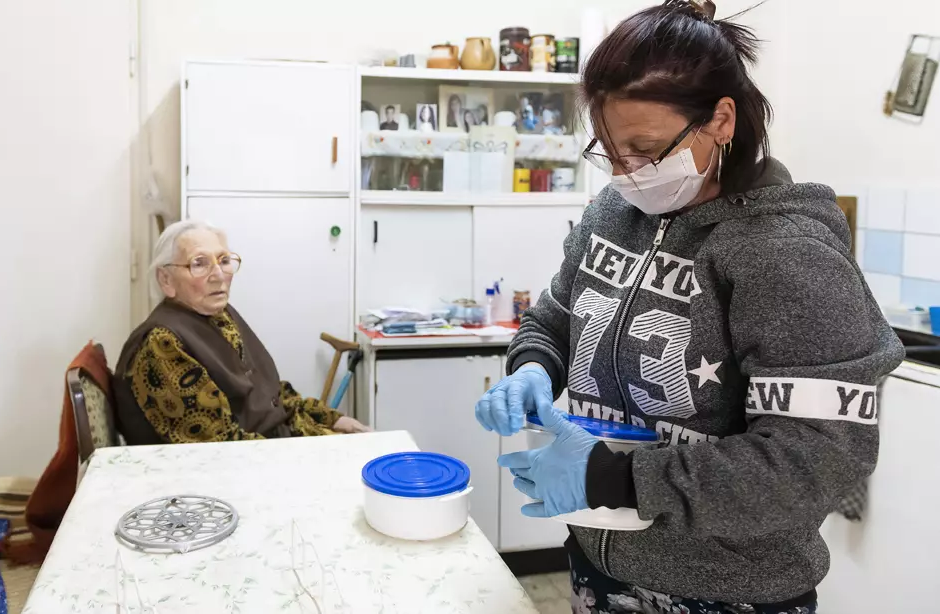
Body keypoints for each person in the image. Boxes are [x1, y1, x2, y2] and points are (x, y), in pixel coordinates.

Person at [474, 1, 901, 613]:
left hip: (727, 592)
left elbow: (816, 458)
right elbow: (554, 318)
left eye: (645, 151)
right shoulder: (614, 215)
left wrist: (614, 480)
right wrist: (535, 367)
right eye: (609, 150)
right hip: (600, 561)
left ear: (721, 120)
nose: (625, 173)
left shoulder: (785, 253)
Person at [115, 220, 370, 444]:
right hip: (248, 464)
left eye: (224, 261)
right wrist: (307, 451)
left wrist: (332, 419)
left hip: (277, 440)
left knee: (372, 447)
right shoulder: (161, 344)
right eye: (199, 264)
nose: (218, 275)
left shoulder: (218, 314)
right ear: (166, 280)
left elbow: (270, 393)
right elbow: (221, 446)